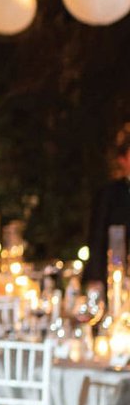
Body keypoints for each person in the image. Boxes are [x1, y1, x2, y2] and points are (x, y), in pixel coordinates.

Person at [87, 121, 130, 289]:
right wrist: (95, 277)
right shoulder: (109, 193)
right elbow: (97, 236)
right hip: (116, 273)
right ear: (122, 160)